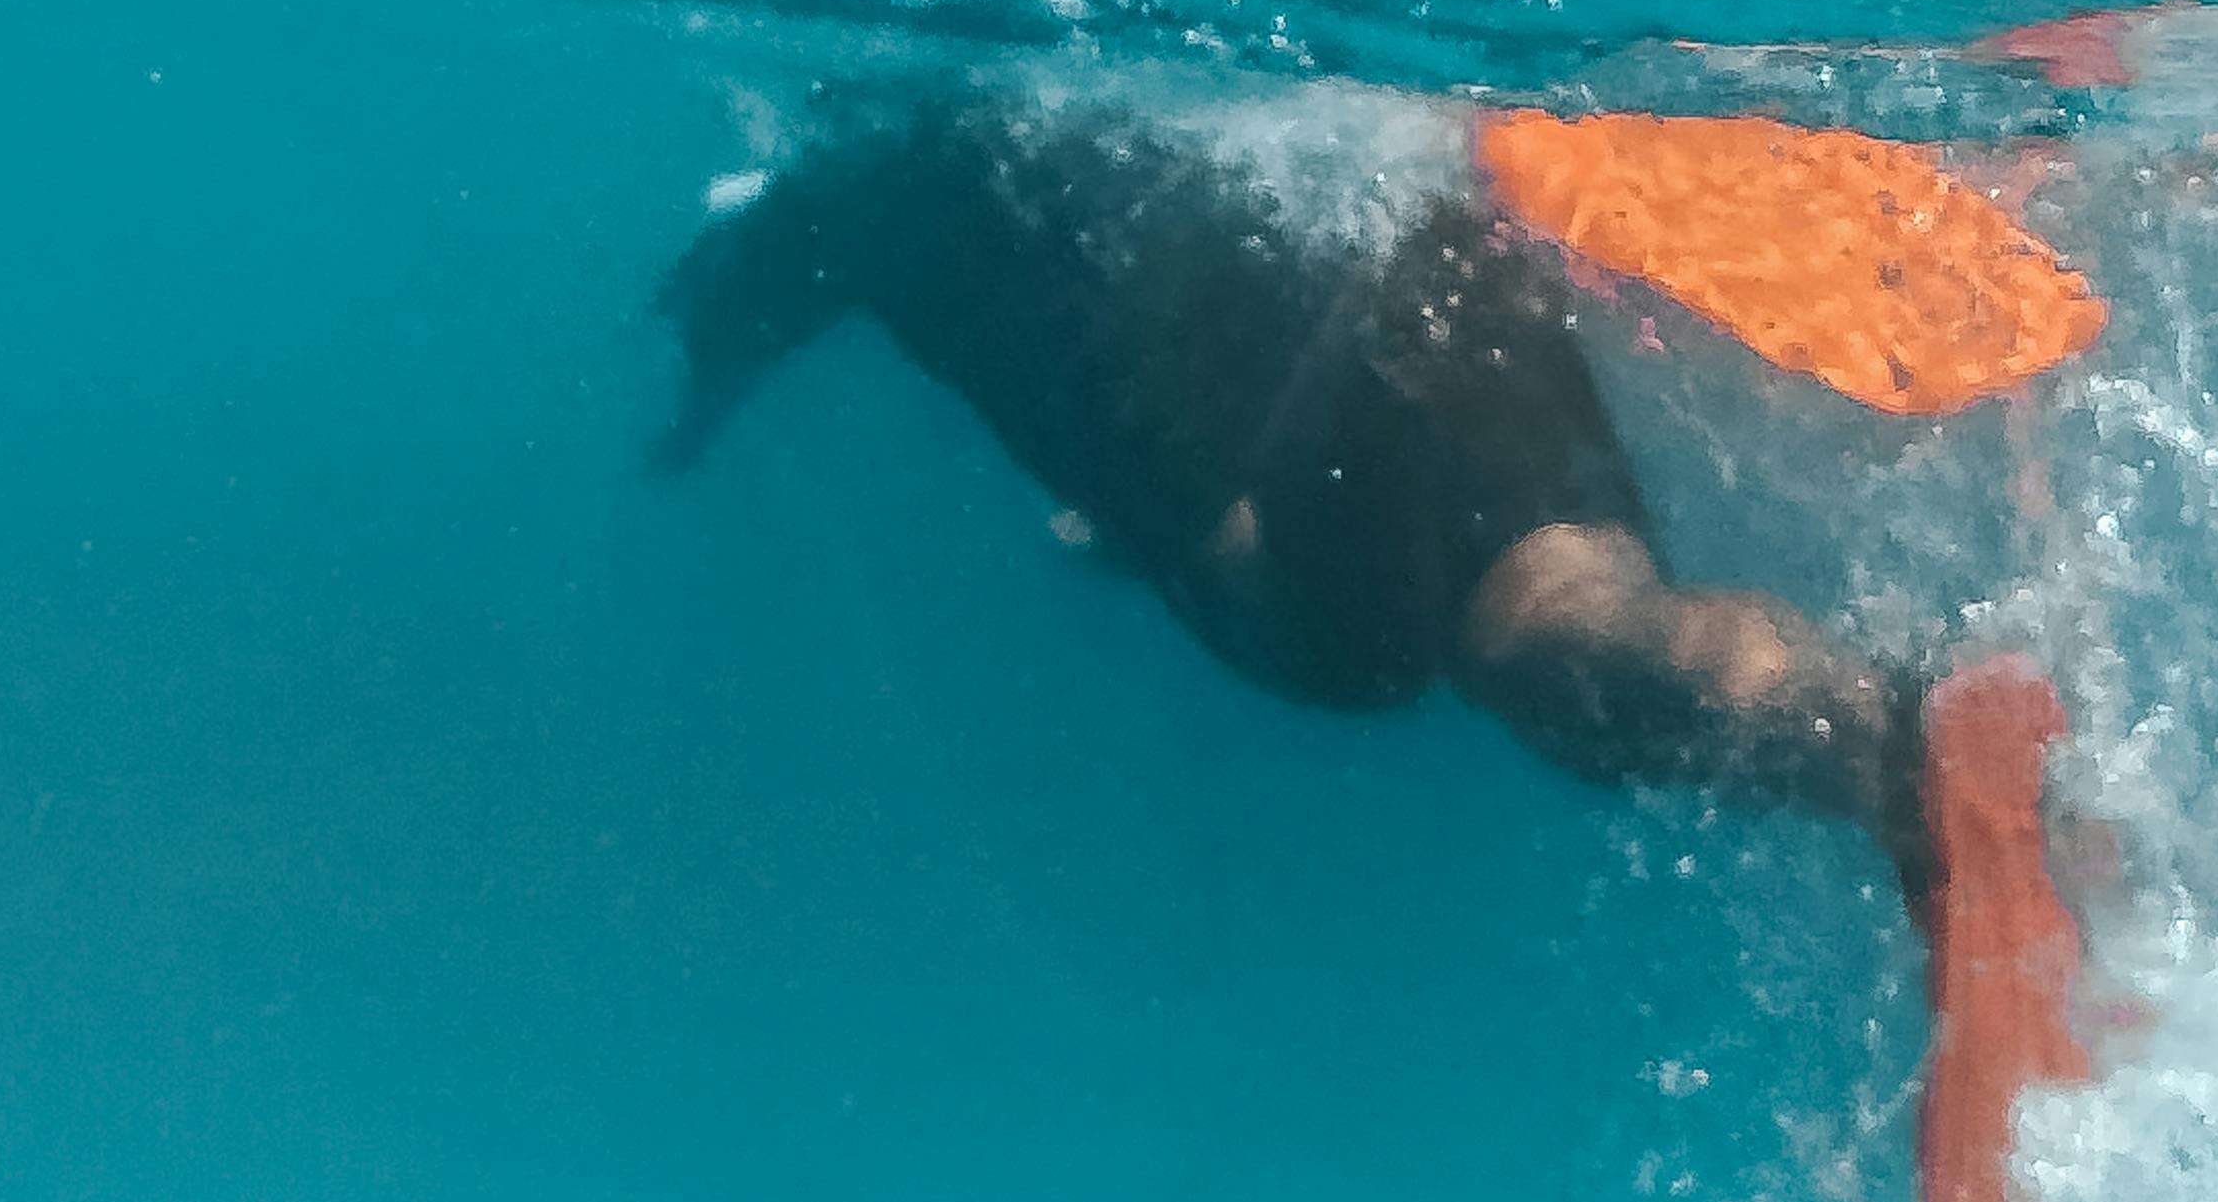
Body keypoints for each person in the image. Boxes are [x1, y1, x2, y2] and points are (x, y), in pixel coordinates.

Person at [649, 70, 1934, 884]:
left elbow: (744, 290)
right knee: (1568, 614)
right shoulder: (979, 124)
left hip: (1224, 393)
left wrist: (696, 410)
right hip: (1373, 209)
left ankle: (1371, 361)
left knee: (1342, 651)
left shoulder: (895, 156)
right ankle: (1895, 737)